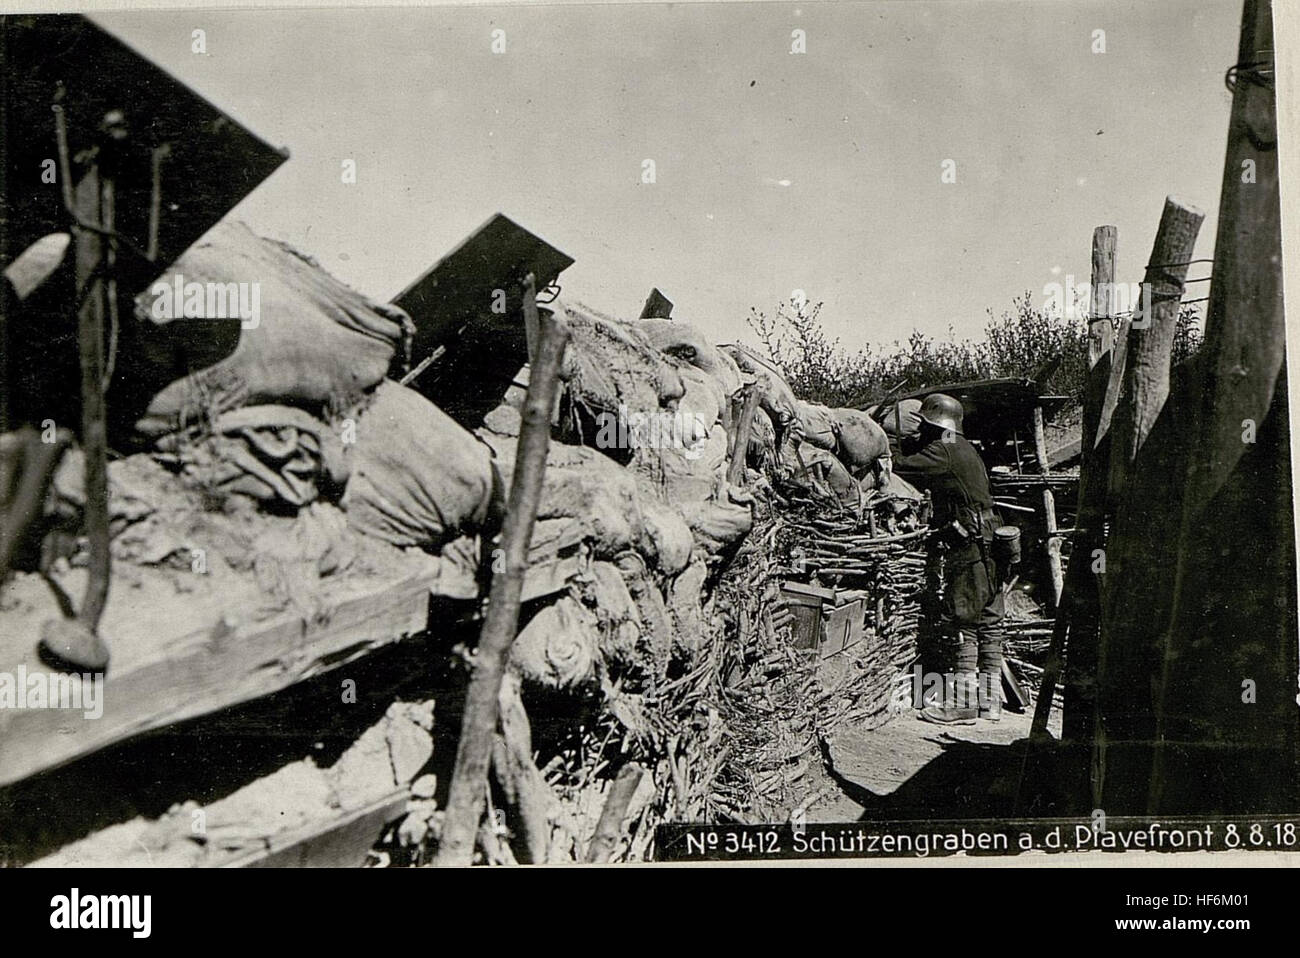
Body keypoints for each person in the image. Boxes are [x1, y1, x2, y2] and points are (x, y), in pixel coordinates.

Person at [893, 393, 1005, 724]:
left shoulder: (942, 447)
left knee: (964, 621)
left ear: (931, 424)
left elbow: (905, 467)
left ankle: (962, 705)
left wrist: (892, 452)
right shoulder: (967, 447)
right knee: (989, 622)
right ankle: (990, 703)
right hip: (992, 541)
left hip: (970, 545)